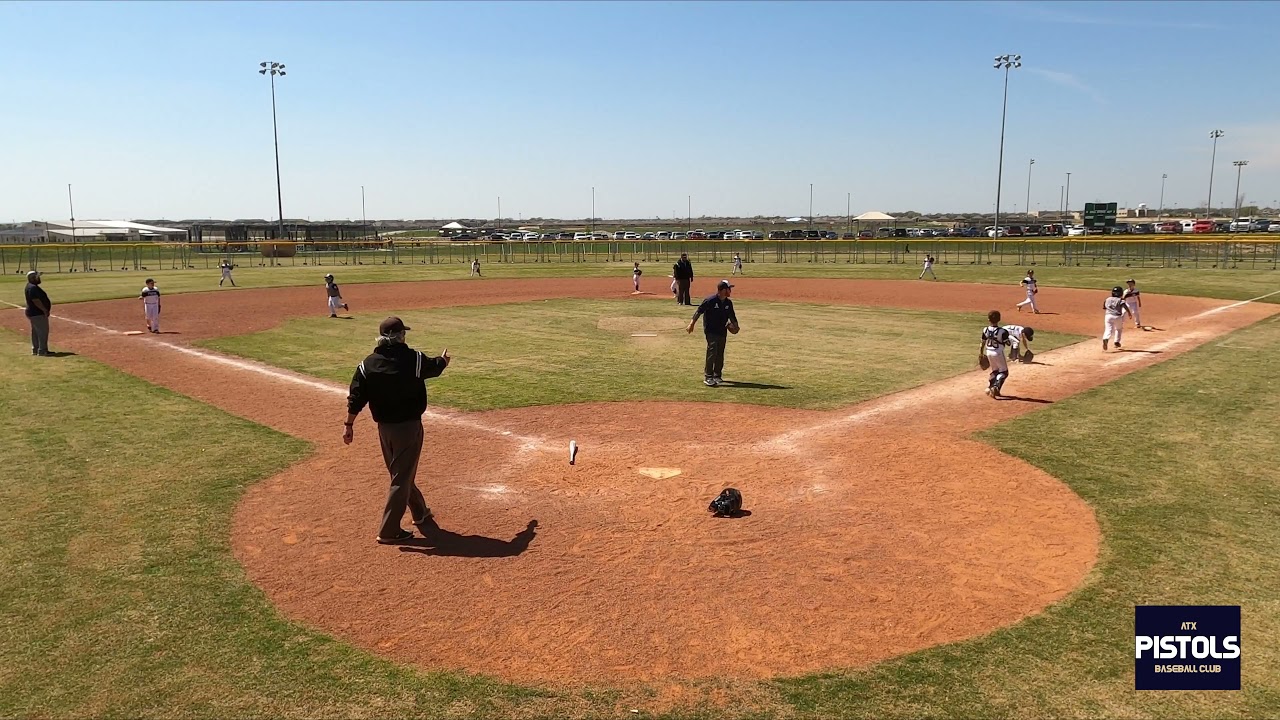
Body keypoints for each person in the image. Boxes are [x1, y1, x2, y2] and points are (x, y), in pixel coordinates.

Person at [343, 316, 451, 544]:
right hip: (408, 428)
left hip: (384, 430)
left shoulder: (368, 364)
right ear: (399, 336)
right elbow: (434, 368)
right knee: (401, 477)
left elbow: (356, 397)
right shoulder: (413, 359)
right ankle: (389, 530)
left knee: (400, 473)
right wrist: (443, 361)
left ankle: (420, 512)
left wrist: (349, 424)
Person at [686, 280, 738, 387]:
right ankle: (708, 376)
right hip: (710, 330)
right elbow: (699, 311)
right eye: (729, 289)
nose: (730, 291)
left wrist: (736, 327)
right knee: (712, 350)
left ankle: (717, 375)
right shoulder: (710, 300)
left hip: (722, 330)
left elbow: (732, 317)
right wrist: (692, 324)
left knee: (720, 352)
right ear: (723, 290)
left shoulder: (728, 303)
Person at [980, 310, 1011, 398]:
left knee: (995, 371)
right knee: (1004, 372)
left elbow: (982, 343)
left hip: (988, 352)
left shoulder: (985, 329)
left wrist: (981, 353)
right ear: (999, 319)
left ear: (988, 319)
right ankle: (995, 387)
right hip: (998, 352)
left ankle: (991, 387)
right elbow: (1008, 343)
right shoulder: (1003, 331)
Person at [24, 270, 52, 356]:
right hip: (37, 313)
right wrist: (44, 310)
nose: (39, 278)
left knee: (36, 332)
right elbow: (36, 301)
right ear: (32, 278)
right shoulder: (33, 288)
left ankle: (36, 349)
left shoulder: (30, 286)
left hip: (33, 313)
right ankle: (42, 350)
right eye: (37, 277)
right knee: (42, 331)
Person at [1102, 285, 1132, 351]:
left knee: (1108, 329)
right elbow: (1124, 306)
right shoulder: (1120, 300)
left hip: (1108, 316)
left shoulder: (1108, 299)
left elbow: (1104, 307)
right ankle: (1116, 341)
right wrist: (1129, 313)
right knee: (1118, 329)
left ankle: (1106, 338)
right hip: (1117, 316)